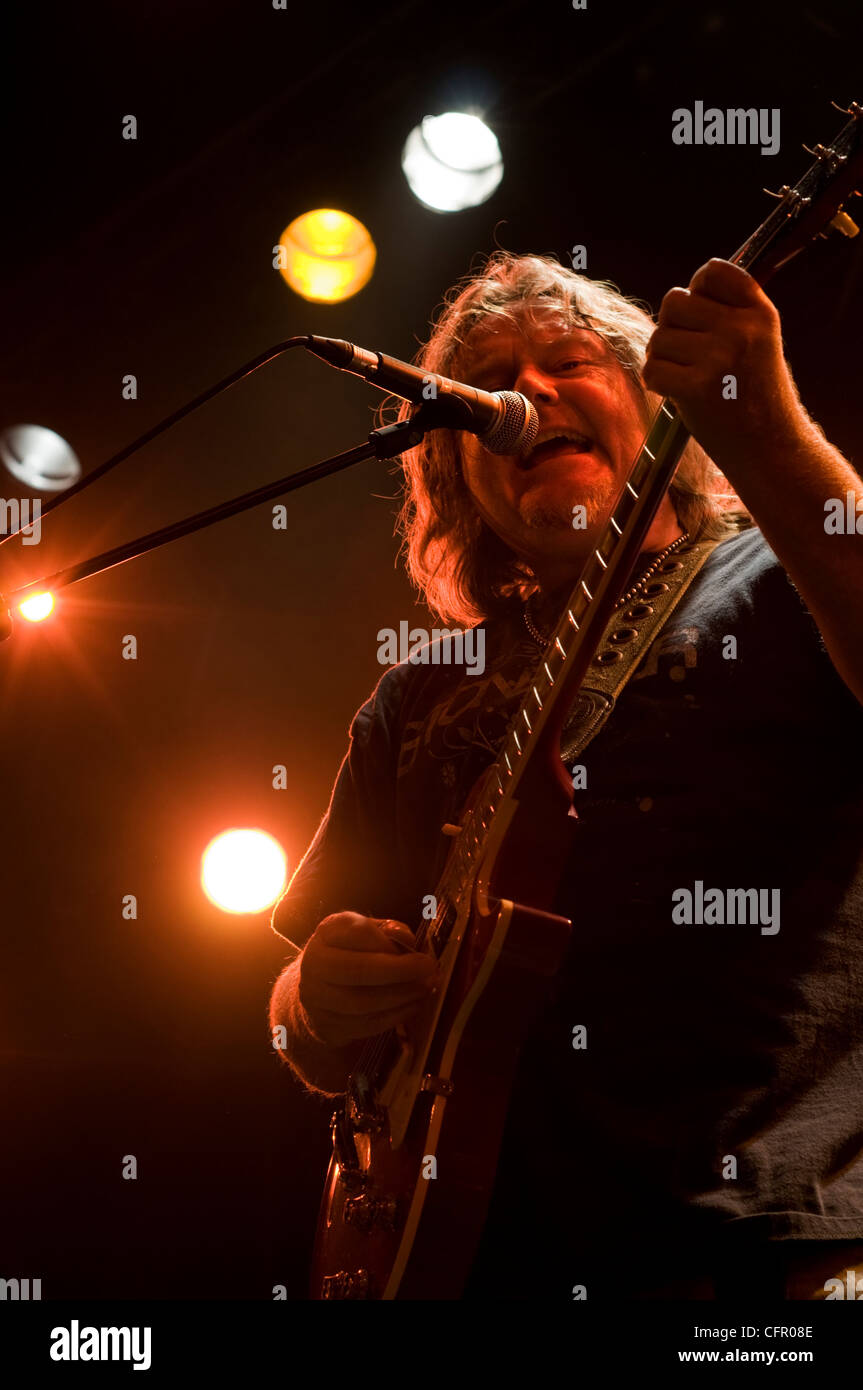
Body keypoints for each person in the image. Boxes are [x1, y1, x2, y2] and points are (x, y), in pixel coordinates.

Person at [268, 251, 863, 1300]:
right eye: (487, 381)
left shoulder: (786, 569)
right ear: (455, 475)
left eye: (566, 361)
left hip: (769, 1245)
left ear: (654, 401)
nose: (521, 395)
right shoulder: (415, 694)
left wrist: (766, 430)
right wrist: (310, 1003)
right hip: (480, 1261)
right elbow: (296, 1021)